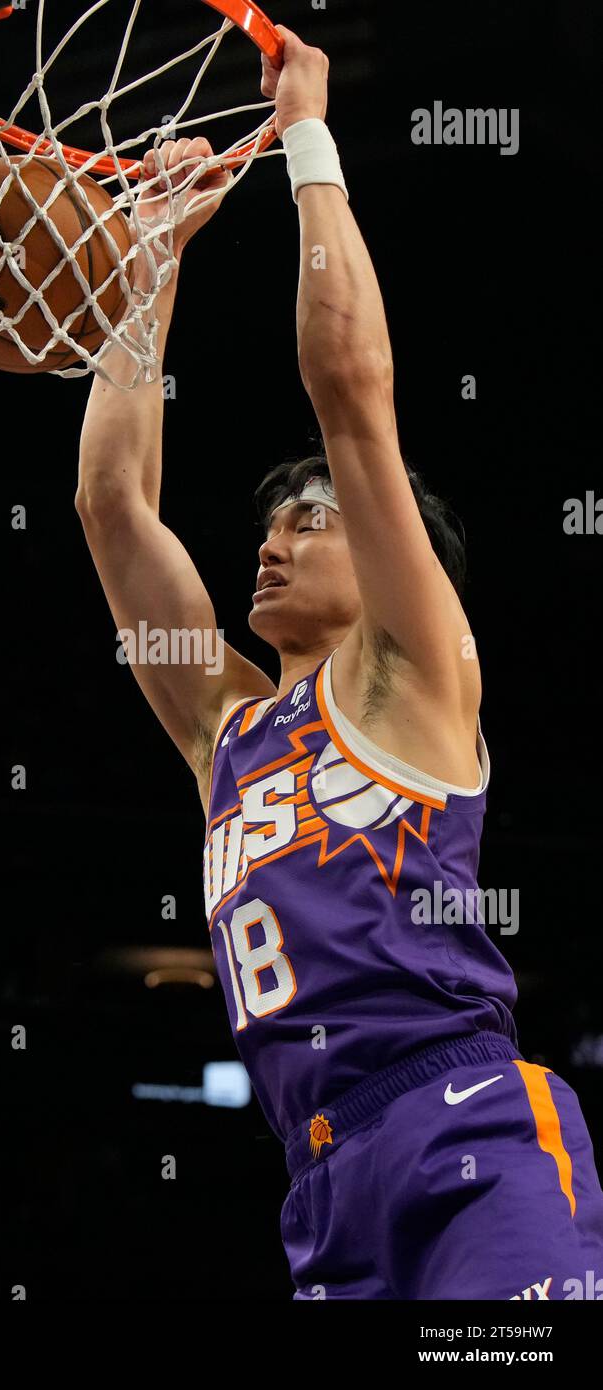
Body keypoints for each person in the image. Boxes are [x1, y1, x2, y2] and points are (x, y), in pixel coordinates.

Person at [75, 25, 603, 1299]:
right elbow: (111, 503)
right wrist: (149, 263)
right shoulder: (226, 728)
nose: (270, 541)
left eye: (306, 521)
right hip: (318, 1182)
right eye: (265, 522)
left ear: (389, 550)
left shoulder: (417, 669)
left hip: (464, 1122)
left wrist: (305, 136)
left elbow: (347, 386)